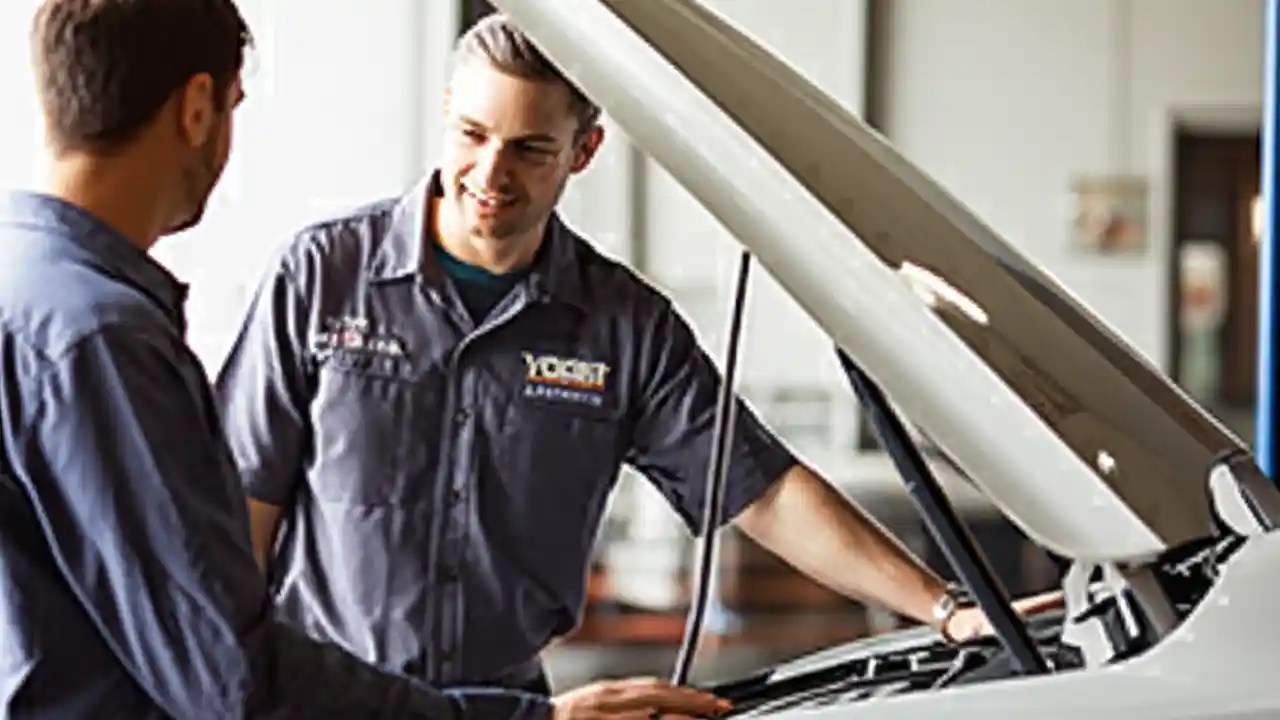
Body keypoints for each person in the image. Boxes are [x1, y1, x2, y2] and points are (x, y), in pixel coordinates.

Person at [216, 11, 1060, 698]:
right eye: (473, 133)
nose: (490, 171)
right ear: (447, 111)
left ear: (582, 150)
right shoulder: (324, 277)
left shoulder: (620, 326)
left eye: (530, 149)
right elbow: (237, 514)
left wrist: (947, 609)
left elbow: (761, 490)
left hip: (513, 705)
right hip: (330, 705)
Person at [0, 2, 729, 718]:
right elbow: (227, 676)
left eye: (530, 147)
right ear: (198, 107)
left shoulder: (29, 295)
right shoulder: (104, 337)